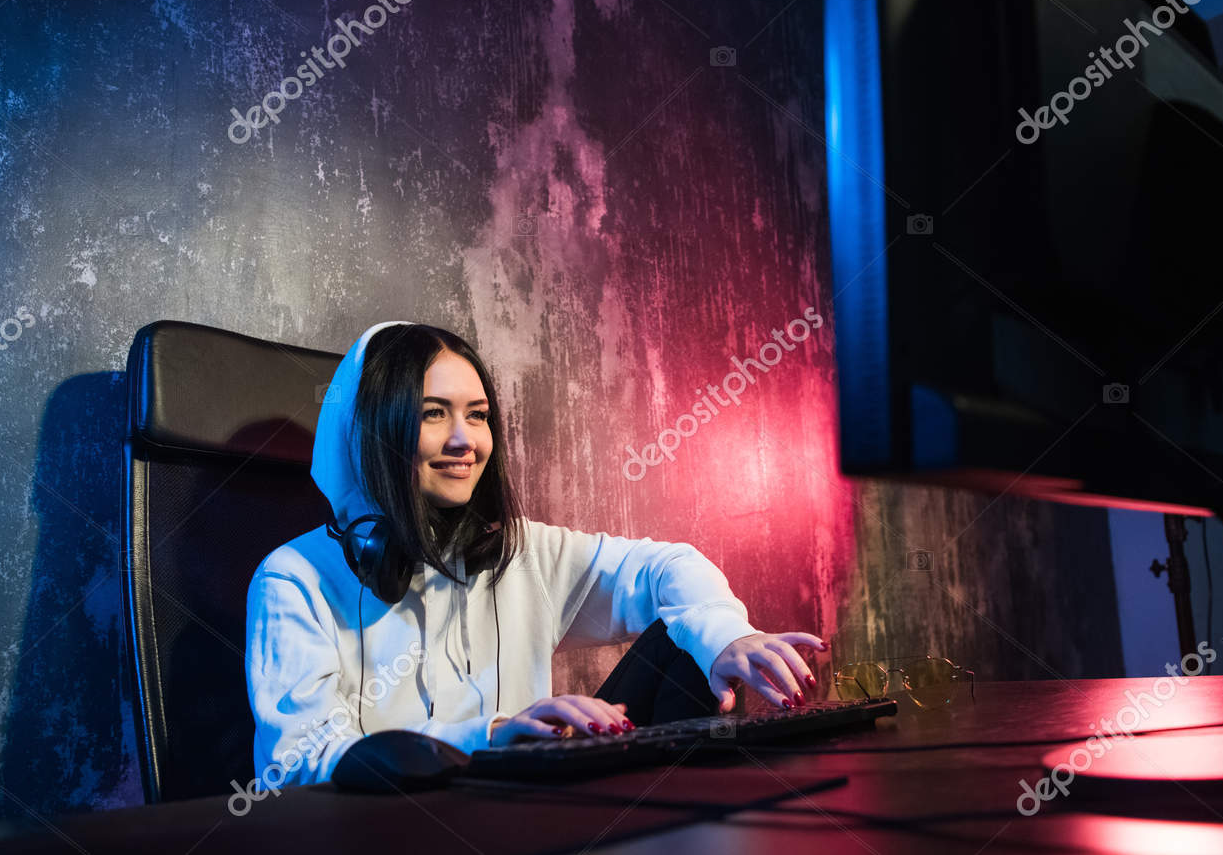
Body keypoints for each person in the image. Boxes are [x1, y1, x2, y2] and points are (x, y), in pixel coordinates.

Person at [244, 320, 827, 786]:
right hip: (396, 854)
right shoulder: (293, 579)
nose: (464, 440)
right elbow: (300, 760)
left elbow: (666, 567)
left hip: (538, 826)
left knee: (686, 640)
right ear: (375, 431)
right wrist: (491, 735)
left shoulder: (518, 551)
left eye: (477, 415)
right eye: (432, 413)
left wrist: (726, 636)